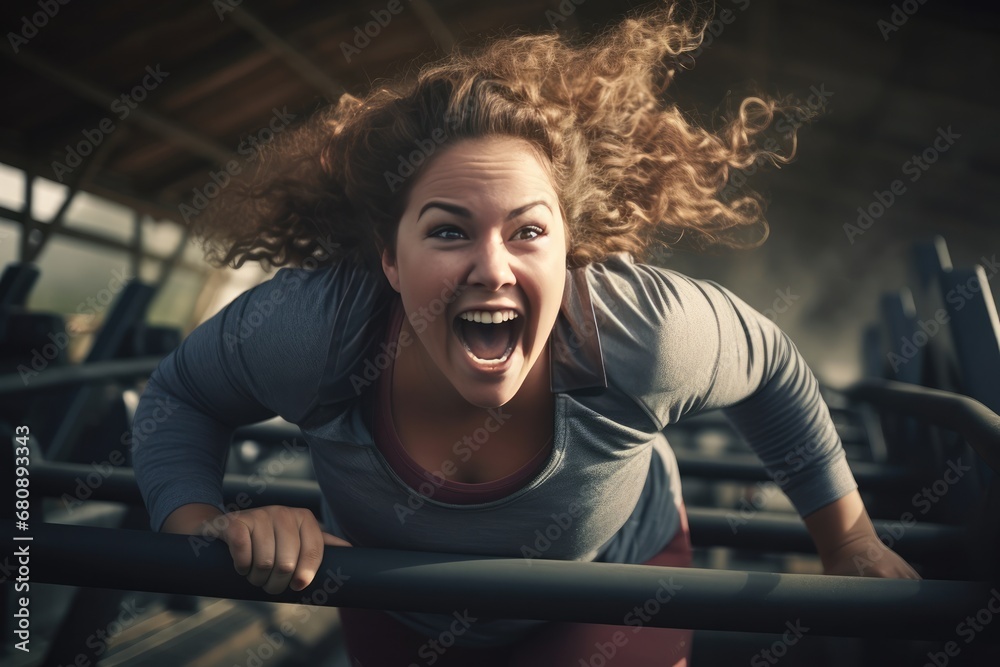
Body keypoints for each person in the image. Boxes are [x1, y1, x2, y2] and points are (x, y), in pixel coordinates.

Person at [132, 2, 919, 664]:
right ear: (390, 261)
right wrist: (207, 528)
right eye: (447, 232)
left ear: (568, 247)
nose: (492, 267)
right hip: (395, 597)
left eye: (528, 232)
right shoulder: (313, 332)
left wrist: (847, 538)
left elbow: (772, 366)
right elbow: (178, 395)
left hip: (613, 586)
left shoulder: (643, 334)